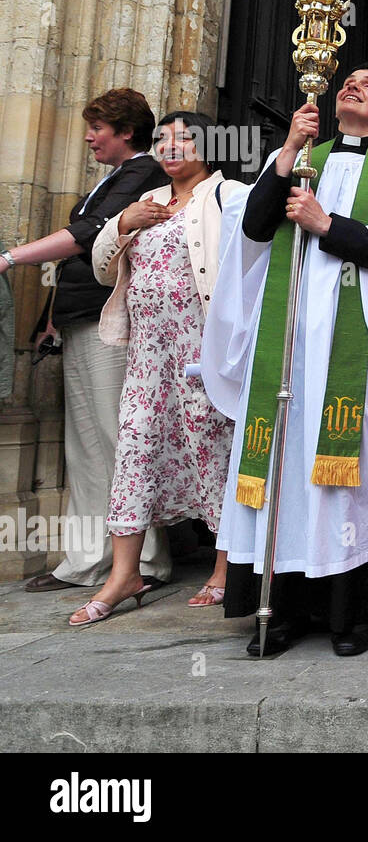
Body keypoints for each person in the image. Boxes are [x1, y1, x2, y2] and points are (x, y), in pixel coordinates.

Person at [201, 63, 368, 656]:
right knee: (286, 466)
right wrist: (287, 148)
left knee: (352, 474)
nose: (352, 87)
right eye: (349, 81)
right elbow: (256, 229)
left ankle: (351, 613)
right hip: (286, 346)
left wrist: (326, 224)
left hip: (357, 347)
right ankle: (282, 609)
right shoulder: (299, 158)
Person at [68, 113, 246, 625]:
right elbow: (103, 267)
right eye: (161, 140)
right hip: (147, 355)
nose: (170, 147)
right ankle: (124, 574)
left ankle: (225, 565)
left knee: (212, 447)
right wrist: (125, 224)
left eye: (183, 138)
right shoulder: (145, 204)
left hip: (201, 353)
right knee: (135, 448)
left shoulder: (226, 195)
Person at [0, 89, 172, 593]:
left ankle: (142, 562)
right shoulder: (111, 180)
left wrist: (10, 258)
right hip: (82, 319)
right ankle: (89, 557)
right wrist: (53, 319)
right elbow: (80, 255)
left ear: (127, 132)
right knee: (88, 446)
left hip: (111, 324)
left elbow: (85, 237)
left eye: (99, 127)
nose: (90, 136)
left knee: (119, 440)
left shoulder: (144, 174)